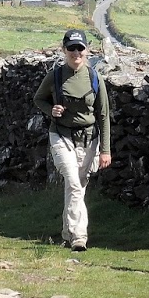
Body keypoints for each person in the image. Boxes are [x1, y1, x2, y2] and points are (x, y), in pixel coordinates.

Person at [32, 28, 112, 251]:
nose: (76, 52)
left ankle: (67, 232)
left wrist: (105, 150)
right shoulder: (56, 75)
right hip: (61, 136)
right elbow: (39, 99)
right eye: (71, 48)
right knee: (75, 183)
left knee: (77, 186)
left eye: (80, 48)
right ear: (64, 50)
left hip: (89, 139)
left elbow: (103, 115)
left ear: (87, 50)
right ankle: (79, 236)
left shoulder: (95, 79)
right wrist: (52, 110)